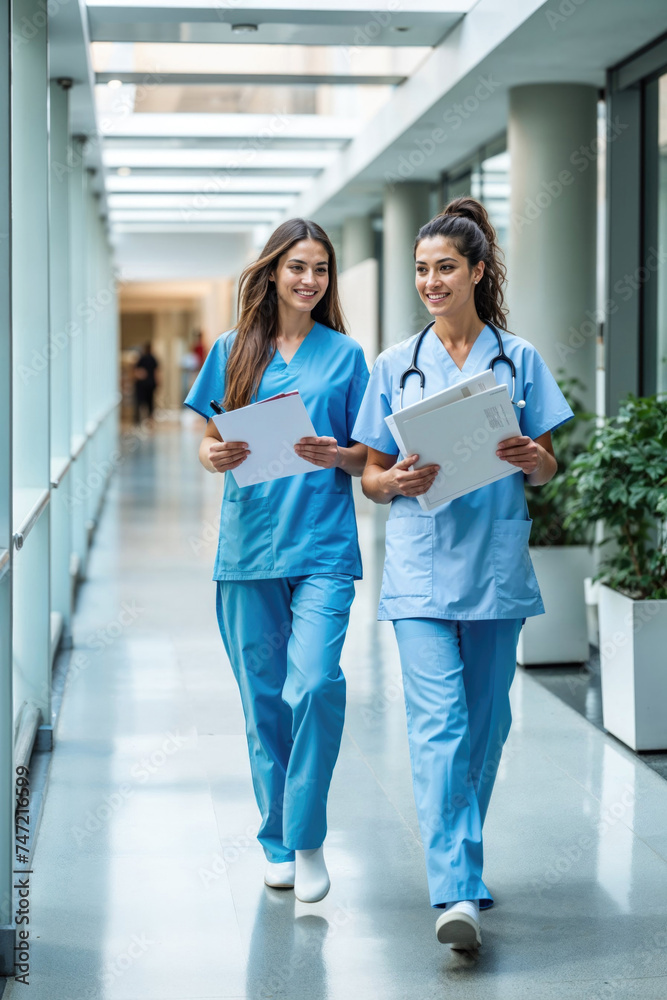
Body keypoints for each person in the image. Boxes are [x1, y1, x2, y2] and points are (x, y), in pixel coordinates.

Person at [352, 197, 574, 950]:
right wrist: (394, 481)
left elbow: (547, 468)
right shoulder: (394, 365)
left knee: (486, 726)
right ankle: (455, 890)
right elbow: (371, 478)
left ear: (478, 272)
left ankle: (463, 864)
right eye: (422, 270)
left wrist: (532, 458)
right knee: (438, 727)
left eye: (445, 268)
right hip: (419, 569)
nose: (431, 282)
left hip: (494, 568)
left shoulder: (519, 359)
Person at [184, 219, 369, 903]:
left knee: (314, 685)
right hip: (249, 550)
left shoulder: (346, 356)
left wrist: (338, 455)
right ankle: (278, 843)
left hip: (322, 546)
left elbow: (368, 456)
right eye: (297, 267)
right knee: (264, 705)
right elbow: (208, 441)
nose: (309, 280)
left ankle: (307, 836)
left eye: (320, 269)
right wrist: (215, 455)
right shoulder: (232, 349)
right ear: (272, 272)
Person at [133, 342, 159, 424]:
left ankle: (139, 420)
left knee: (140, 402)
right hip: (150, 384)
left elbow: (136, 371)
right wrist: (157, 382)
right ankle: (150, 419)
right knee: (150, 402)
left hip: (143, 384)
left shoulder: (142, 359)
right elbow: (156, 372)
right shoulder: (153, 359)